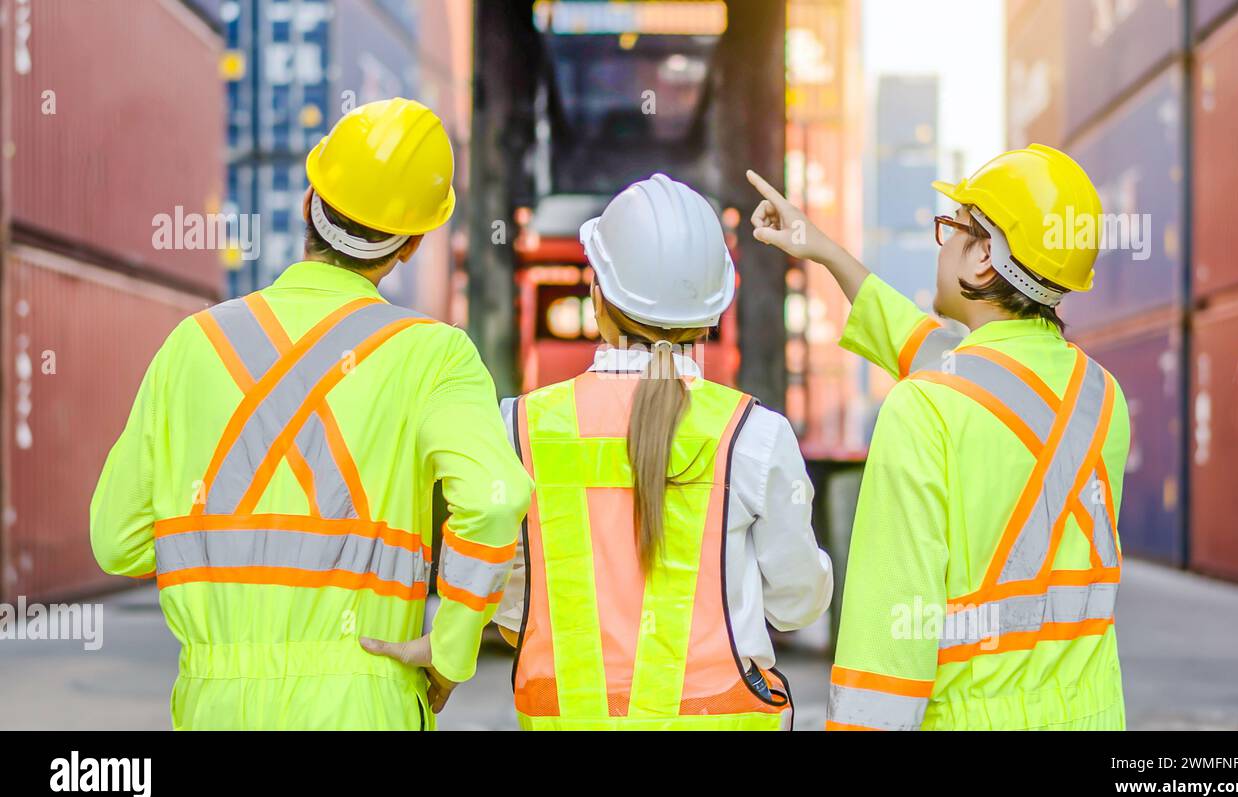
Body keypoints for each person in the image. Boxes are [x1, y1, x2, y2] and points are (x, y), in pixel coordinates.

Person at [89, 98, 533, 730]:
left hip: (215, 706)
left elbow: (116, 541)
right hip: (364, 704)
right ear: (409, 247)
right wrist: (449, 648)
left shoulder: (193, 344)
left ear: (308, 204)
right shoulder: (434, 356)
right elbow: (494, 500)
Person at [748, 144, 1130, 730]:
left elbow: (886, 654)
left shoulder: (924, 410)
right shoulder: (1101, 398)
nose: (943, 241)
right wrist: (823, 251)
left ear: (982, 257)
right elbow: (959, 364)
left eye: (952, 227)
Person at [495, 173, 832, 729]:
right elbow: (796, 602)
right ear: (711, 314)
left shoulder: (521, 427)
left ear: (597, 298)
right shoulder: (753, 433)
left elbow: (512, 604)